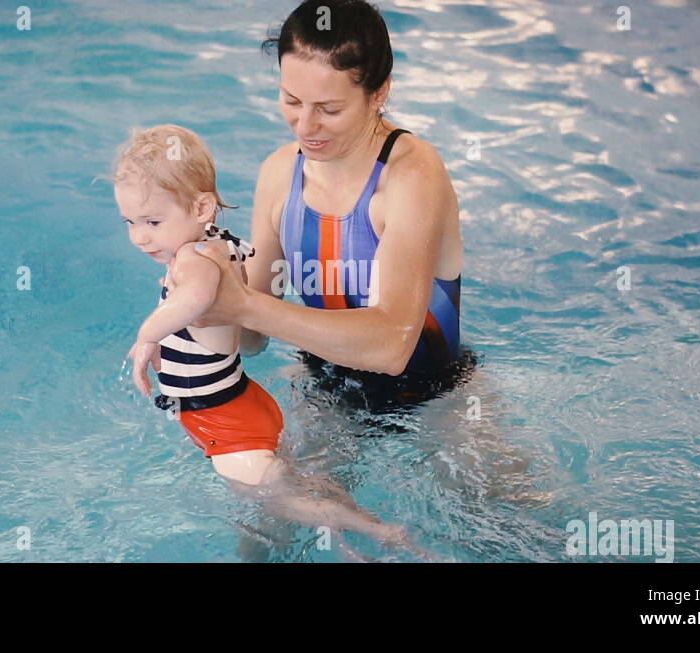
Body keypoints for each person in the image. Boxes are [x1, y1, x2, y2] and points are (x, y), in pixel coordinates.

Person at [110, 124, 414, 551]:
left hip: (224, 419)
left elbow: (195, 297)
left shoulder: (191, 261)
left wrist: (147, 336)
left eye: (153, 221)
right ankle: (343, 541)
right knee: (292, 487)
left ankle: (382, 533)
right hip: (242, 402)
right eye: (131, 222)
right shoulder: (216, 244)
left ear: (201, 208)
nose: (140, 236)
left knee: (279, 500)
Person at [185, 0, 469, 410]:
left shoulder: (412, 175)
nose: (305, 126)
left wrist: (245, 305)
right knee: (264, 474)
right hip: (328, 388)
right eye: (292, 101)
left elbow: (392, 347)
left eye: (329, 109)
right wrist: (206, 280)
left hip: (438, 396)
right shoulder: (280, 173)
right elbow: (251, 340)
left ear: (379, 92)